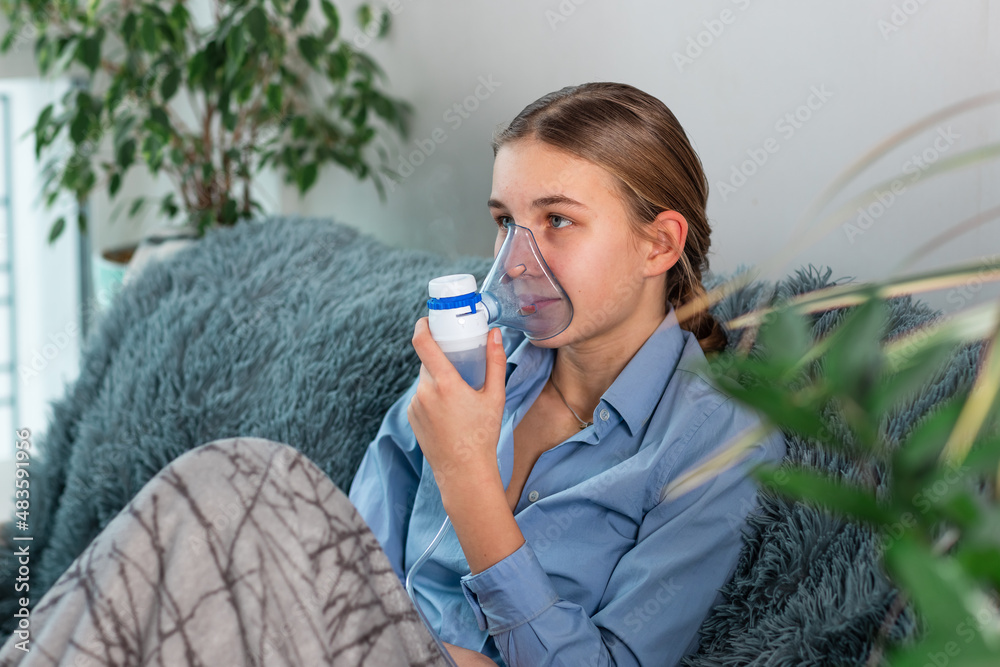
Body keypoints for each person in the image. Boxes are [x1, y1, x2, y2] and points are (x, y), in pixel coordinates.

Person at [0, 82, 784, 667]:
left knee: (246, 479)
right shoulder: (480, 372)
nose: (516, 262)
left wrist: (469, 476)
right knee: (223, 506)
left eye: (558, 221)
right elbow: (342, 571)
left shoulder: (715, 447)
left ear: (659, 244)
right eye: (506, 221)